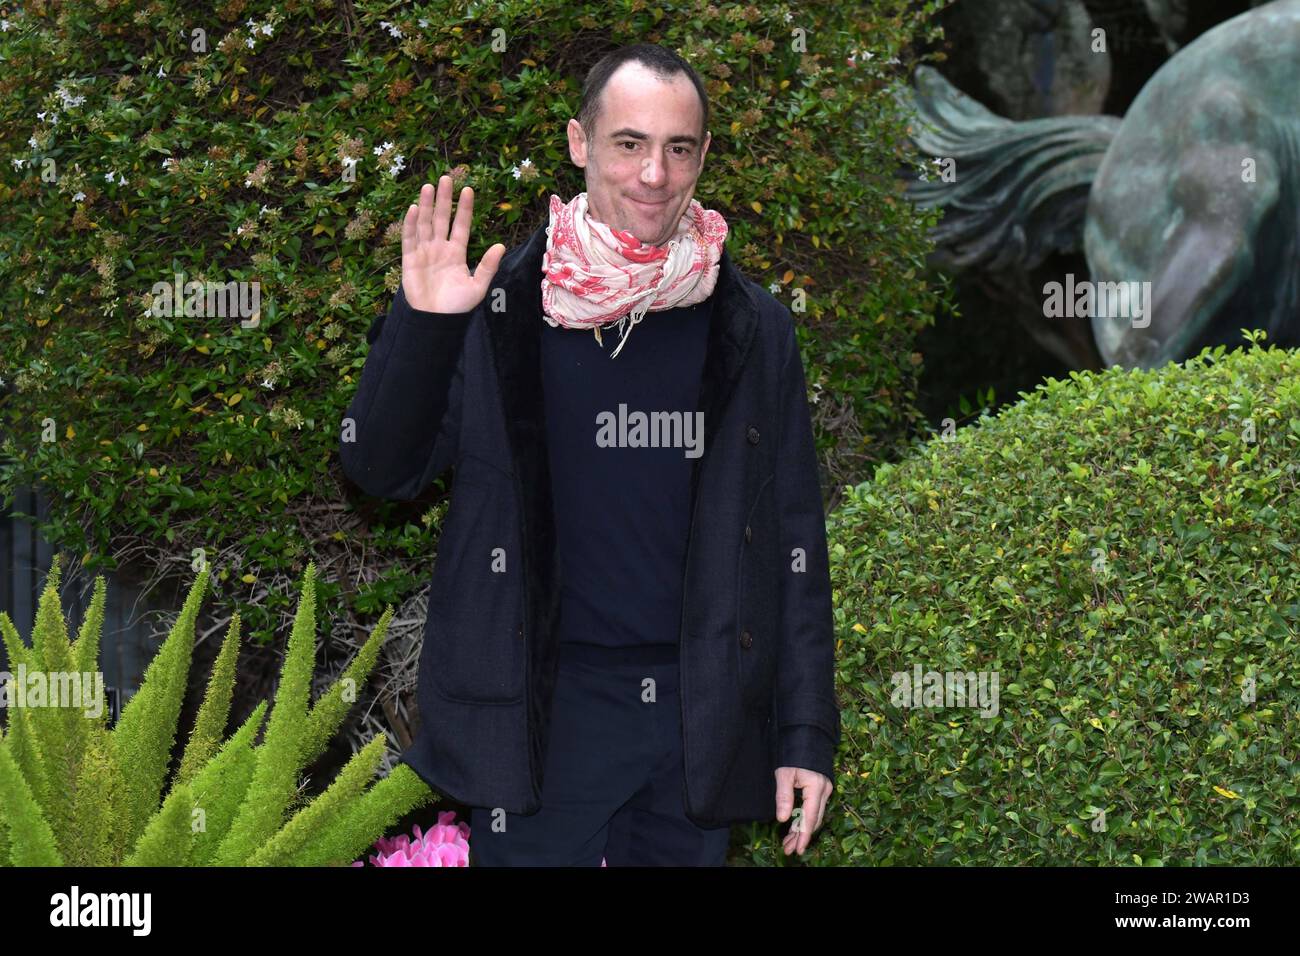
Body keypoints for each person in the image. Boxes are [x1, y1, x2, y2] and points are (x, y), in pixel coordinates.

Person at [340, 43, 840, 866]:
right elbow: (380, 472)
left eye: (678, 149)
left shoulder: (752, 328)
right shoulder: (500, 307)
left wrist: (805, 731)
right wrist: (425, 325)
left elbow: (794, 541)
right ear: (580, 143)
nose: (655, 174)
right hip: (541, 719)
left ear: (703, 157)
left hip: (699, 723)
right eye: (629, 144)